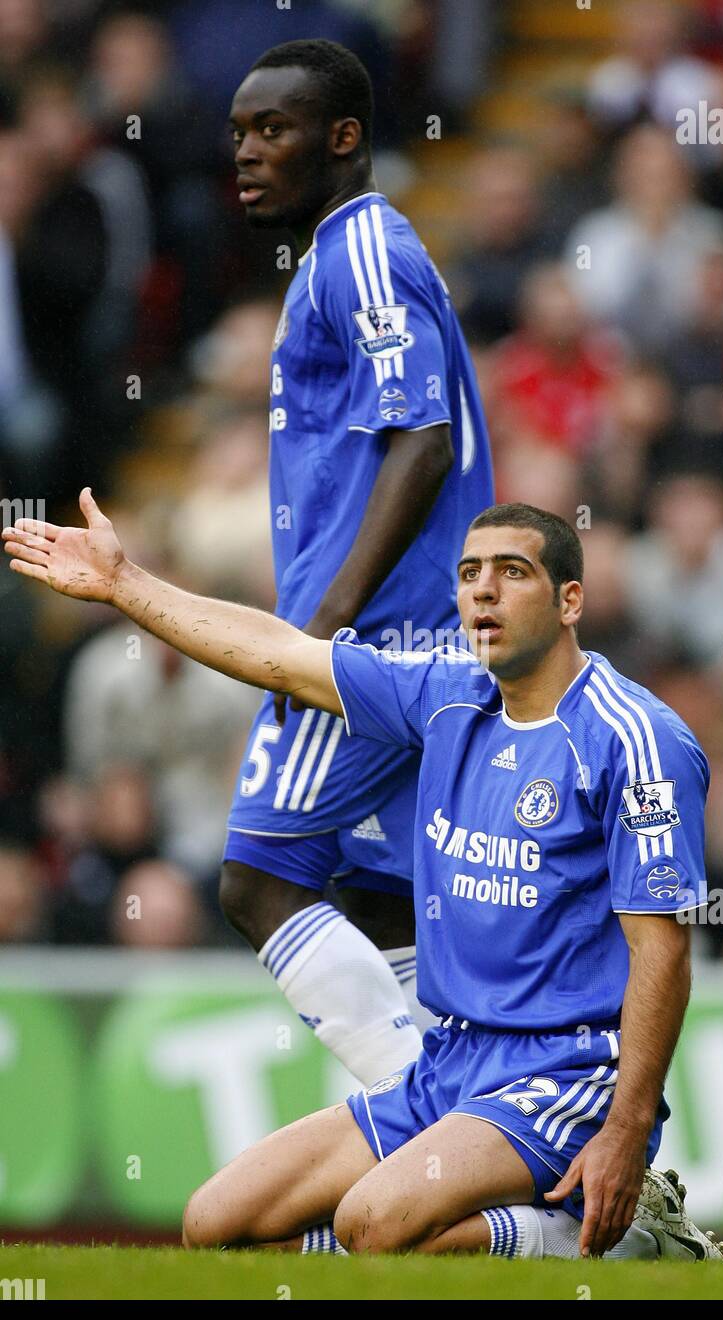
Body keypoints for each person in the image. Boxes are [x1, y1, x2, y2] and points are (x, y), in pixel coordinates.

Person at [4, 496, 723, 1262]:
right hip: (451, 1062)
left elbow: (662, 954)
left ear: (569, 599)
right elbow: (280, 655)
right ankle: (542, 1234)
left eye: (512, 573)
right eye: (469, 573)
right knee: (216, 1225)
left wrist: (623, 1128)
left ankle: (639, 1243)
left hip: (567, 1075)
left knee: (374, 1224)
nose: (483, 591)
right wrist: (125, 585)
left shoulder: (636, 739)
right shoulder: (447, 694)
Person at [222, 39, 494, 1087]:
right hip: (415, 642)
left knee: (258, 879)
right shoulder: (337, 259)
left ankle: (439, 1125)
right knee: (381, 905)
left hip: (377, 644)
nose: (246, 154)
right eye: (240, 133)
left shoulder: (361, 253)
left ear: (342, 139)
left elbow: (419, 438)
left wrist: (320, 628)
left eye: (272, 130)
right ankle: (467, 1168)